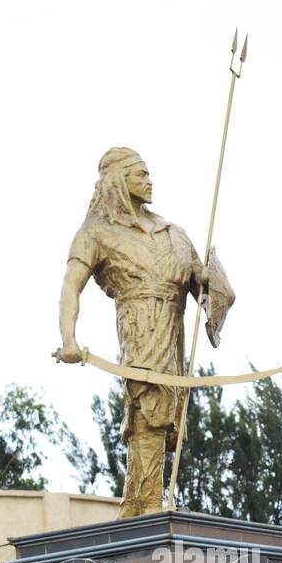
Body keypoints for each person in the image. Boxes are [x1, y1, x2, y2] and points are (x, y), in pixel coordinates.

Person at [56, 147, 233, 518]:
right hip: (139, 323)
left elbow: (199, 285)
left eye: (149, 175)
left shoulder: (175, 234)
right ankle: (148, 505)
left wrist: (209, 280)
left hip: (174, 328)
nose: (149, 182)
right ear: (119, 182)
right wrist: (69, 340)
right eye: (141, 175)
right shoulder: (97, 232)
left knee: (163, 412)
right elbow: (72, 285)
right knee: (149, 405)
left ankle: (134, 505)